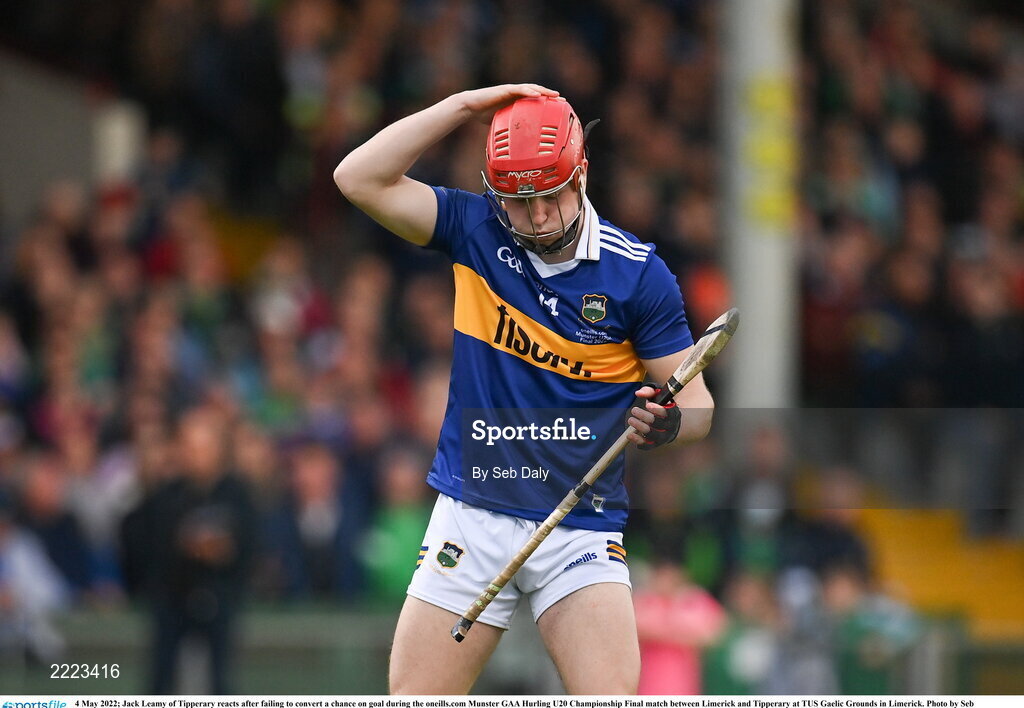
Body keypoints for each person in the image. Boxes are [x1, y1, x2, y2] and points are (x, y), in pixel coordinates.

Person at [334, 84, 714, 694]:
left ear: (581, 175)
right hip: (471, 514)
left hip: (579, 531)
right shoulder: (476, 229)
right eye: (518, 200)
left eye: (551, 196)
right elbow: (358, 179)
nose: (537, 218)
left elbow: (698, 407)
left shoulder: (639, 275)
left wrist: (667, 423)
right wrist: (461, 107)